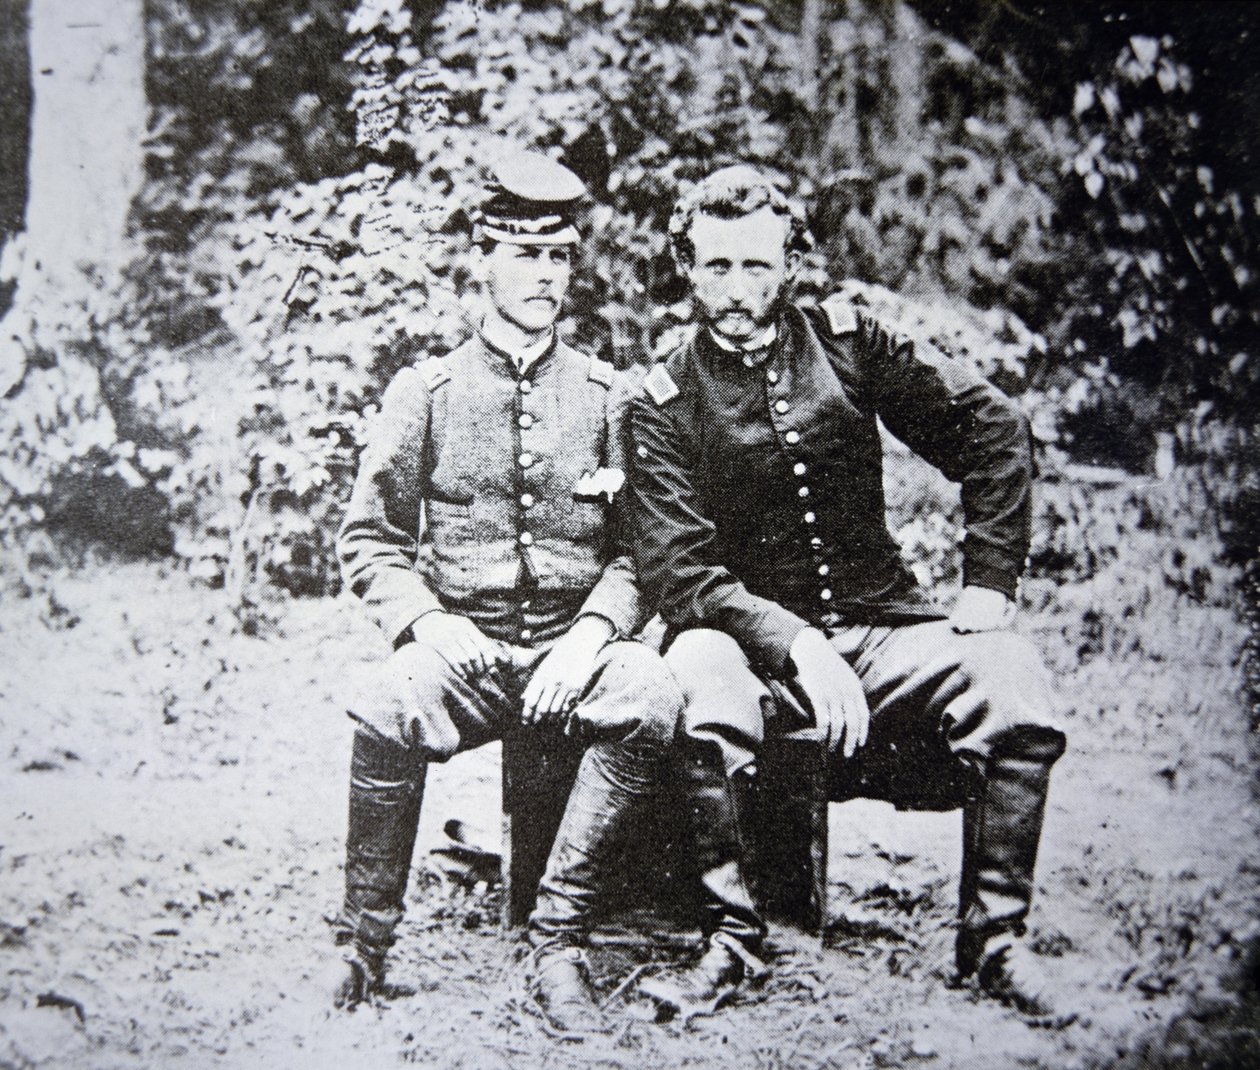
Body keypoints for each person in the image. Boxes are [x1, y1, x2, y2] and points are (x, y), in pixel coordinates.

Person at [627, 165, 1070, 1023]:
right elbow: (682, 573)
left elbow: (994, 427)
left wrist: (989, 583)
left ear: (789, 265)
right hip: (753, 651)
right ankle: (733, 939)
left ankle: (995, 945)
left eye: (756, 267)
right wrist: (798, 643)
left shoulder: (849, 343)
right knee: (699, 671)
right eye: (716, 267)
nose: (736, 290)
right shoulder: (662, 398)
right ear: (688, 267)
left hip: (882, 633)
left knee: (1011, 679)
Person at [330, 150, 683, 1033]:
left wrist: (595, 632)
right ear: (480, 260)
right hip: (469, 651)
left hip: (569, 652)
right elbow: (368, 537)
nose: (544, 275)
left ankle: (555, 939)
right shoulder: (429, 393)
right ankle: (362, 946)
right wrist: (425, 623)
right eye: (523, 253)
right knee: (384, 697)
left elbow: (642, 551)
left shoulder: (610, 395)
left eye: (559, 255)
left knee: (652, 692)